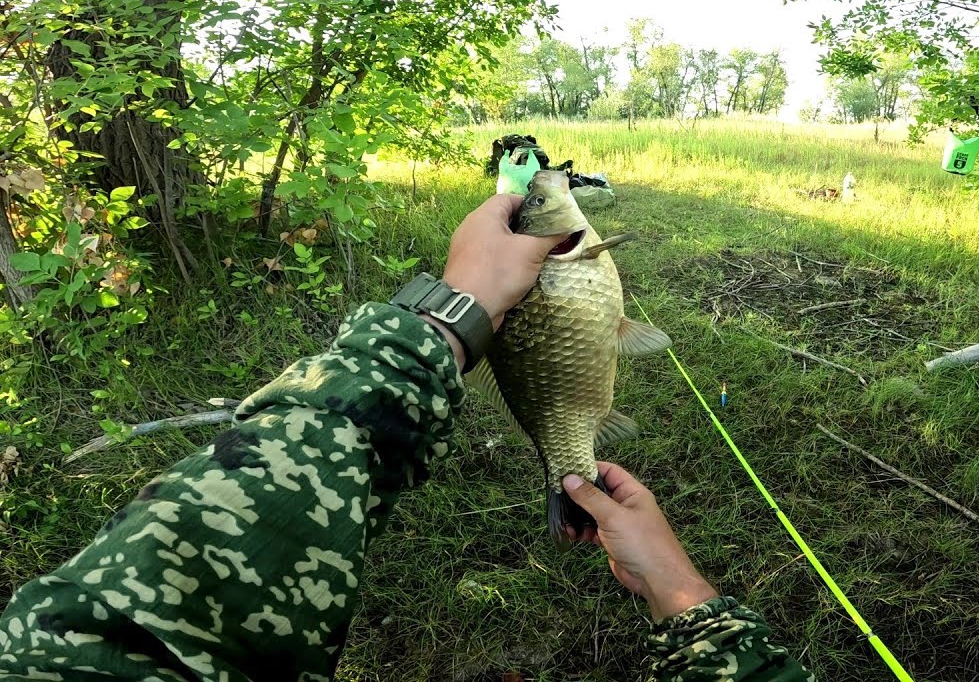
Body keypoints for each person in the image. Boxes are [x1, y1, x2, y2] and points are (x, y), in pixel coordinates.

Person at [0, 194, 814, 681]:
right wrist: (679, 587)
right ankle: (566, 478)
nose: (553, 195)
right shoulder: (578, 253)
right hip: (563, 395)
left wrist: (460, 303)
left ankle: (563, 477)